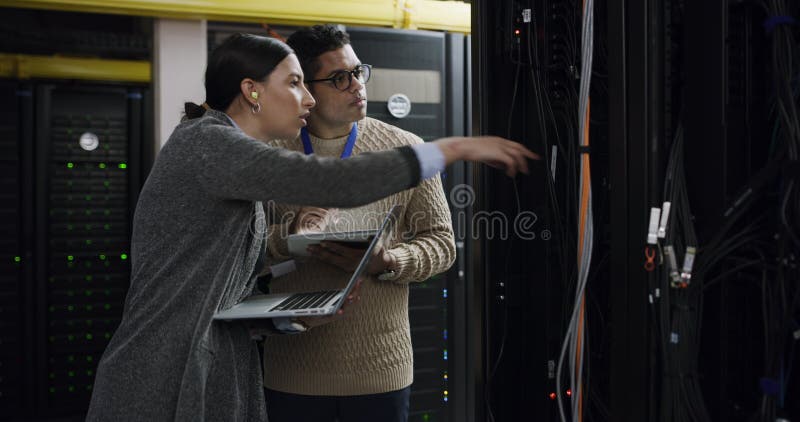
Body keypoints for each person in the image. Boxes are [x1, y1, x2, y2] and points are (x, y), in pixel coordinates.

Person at [85, 33, 537, 421]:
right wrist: (451, 149)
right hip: (167, 370)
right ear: (252, 91)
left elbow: (227, 284)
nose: (308, 98)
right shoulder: (210, 144)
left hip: (210, 362)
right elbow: (335, 181)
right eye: (295, 83)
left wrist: (286, 320)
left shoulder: (221, 148)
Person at [260, 24, 455, 422]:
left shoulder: (407, 150)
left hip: (381, 372)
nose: (357, 86)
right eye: (339, 78)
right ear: (305, 88)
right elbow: (241, 248)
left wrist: (390, 261)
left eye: (358, 72)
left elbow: (442, 243)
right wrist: (289, 236)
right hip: (291, 371)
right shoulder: (268, 155)